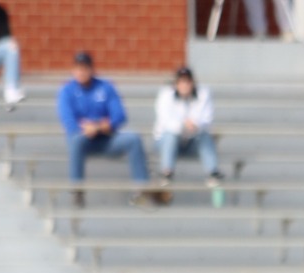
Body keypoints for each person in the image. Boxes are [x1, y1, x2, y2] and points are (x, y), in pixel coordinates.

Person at [58, 53, 152, 206]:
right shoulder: (67, 90)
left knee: (133, 138)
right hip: (83, 140)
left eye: (85, 68)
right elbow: (68, 120)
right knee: (75, 140)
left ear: (91, 69)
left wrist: (100, 126)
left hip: (106, 138)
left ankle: (142, 190)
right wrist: (86, 128)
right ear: (73, 70)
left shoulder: (105, 86)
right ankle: (77, 191)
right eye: (78, 68)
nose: (81, 72)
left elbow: (120, 115)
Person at [154, 67, 221, 196]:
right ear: (176, 84)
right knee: (170, 135)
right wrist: (183, 124)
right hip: (166, 144)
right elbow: (166, 122)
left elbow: (207, 119)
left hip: (192, 141)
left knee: (205, 136)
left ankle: (212, 173)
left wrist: (196, 125)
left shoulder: (203, 94)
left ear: (192, 83)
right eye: (181, 82)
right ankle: (166, 173)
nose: (184, 85)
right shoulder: (165, 95)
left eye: (187, 82)